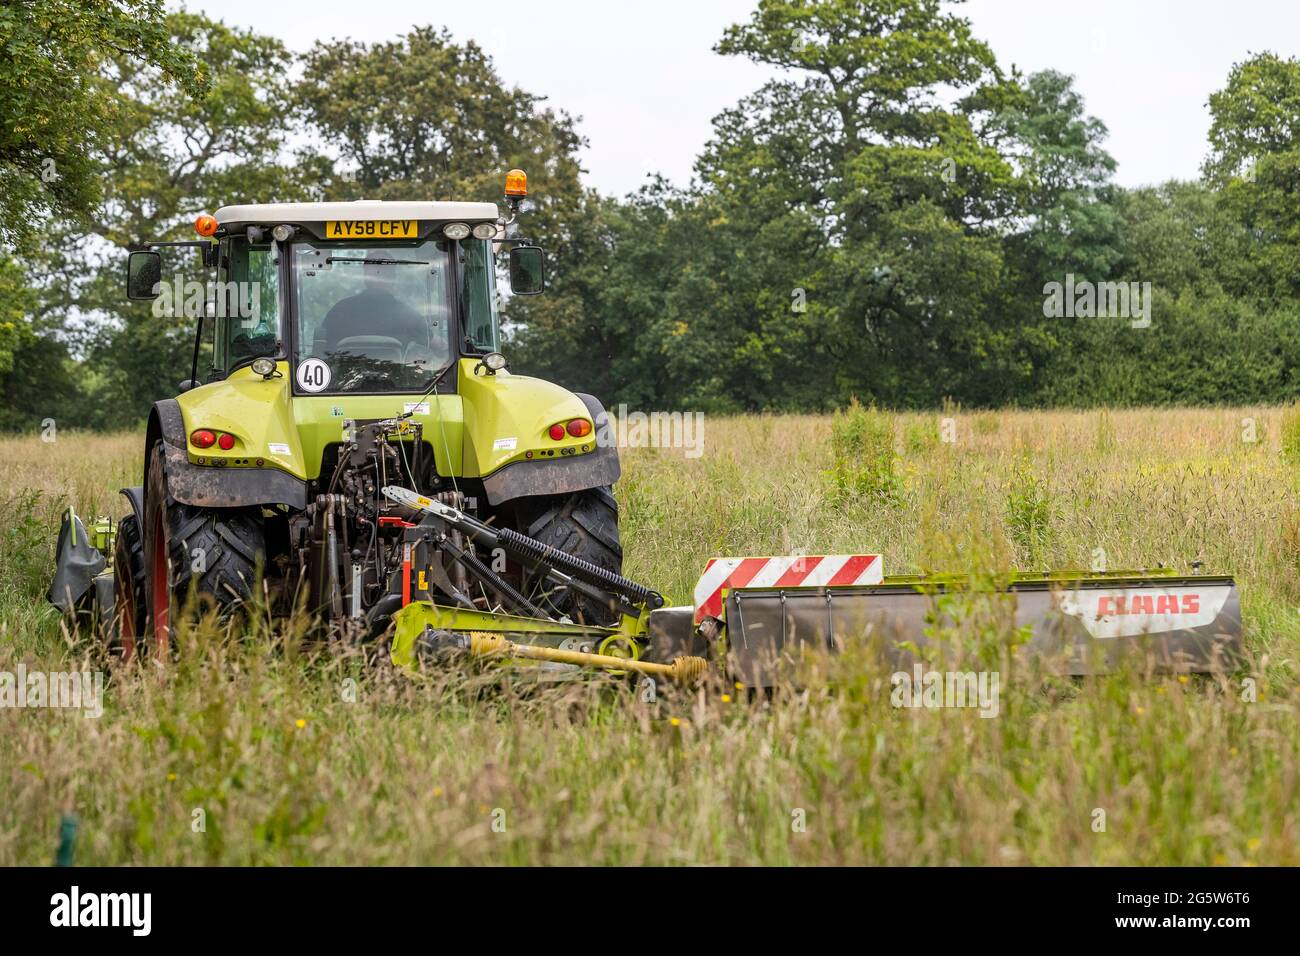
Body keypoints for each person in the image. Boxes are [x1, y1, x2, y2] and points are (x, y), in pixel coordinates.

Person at [315, 249, 430, 354]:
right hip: (399, 376)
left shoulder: (338, 311)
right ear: (393, 278)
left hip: (346, 376)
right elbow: (438, 346)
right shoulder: (410, 316)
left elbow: (322, 351)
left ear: (365, 277)